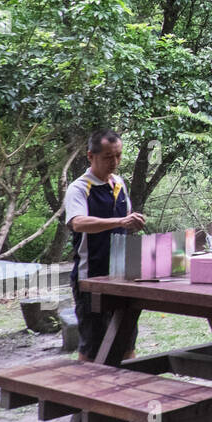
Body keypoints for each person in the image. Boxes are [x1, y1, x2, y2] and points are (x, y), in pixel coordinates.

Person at [64, 128, 146, 362]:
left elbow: (124, 222)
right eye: (108, 157)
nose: (115, 162)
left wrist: (133, 222)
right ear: (91, 156)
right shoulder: (79, 188)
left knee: (127, 339)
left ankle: (129, 391)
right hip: (91, 278)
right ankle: (81, 396)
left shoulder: (119, 184)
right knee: (92, 345)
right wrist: (120, 221)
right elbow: (78, 223)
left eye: (118, 155)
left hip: (122, 276)